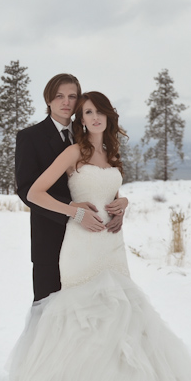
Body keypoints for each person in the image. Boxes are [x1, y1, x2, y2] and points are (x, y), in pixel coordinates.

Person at [3, 91, 191, 381]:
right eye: (87, 112)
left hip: (112, 244)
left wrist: (123, 202)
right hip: (82, 244)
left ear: (109, 117)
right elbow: (35, 192)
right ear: (80, 119)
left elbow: (110, 189)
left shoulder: (111, 153)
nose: (94, 117)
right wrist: (76, 212)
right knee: (85, 317)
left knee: (123, 315)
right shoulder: (72, 152)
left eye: (99, 112)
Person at [15, 74, 127, 303]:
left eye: (72, 96)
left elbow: (99, 182)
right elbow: (27, 190)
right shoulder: (30, 137)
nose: (66, 102)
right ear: (48, 100)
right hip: (50, 235)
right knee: (51, 314)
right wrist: (72, 210)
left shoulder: (87, 136)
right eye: (59, 96)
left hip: (97, 236)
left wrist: (121, 203)